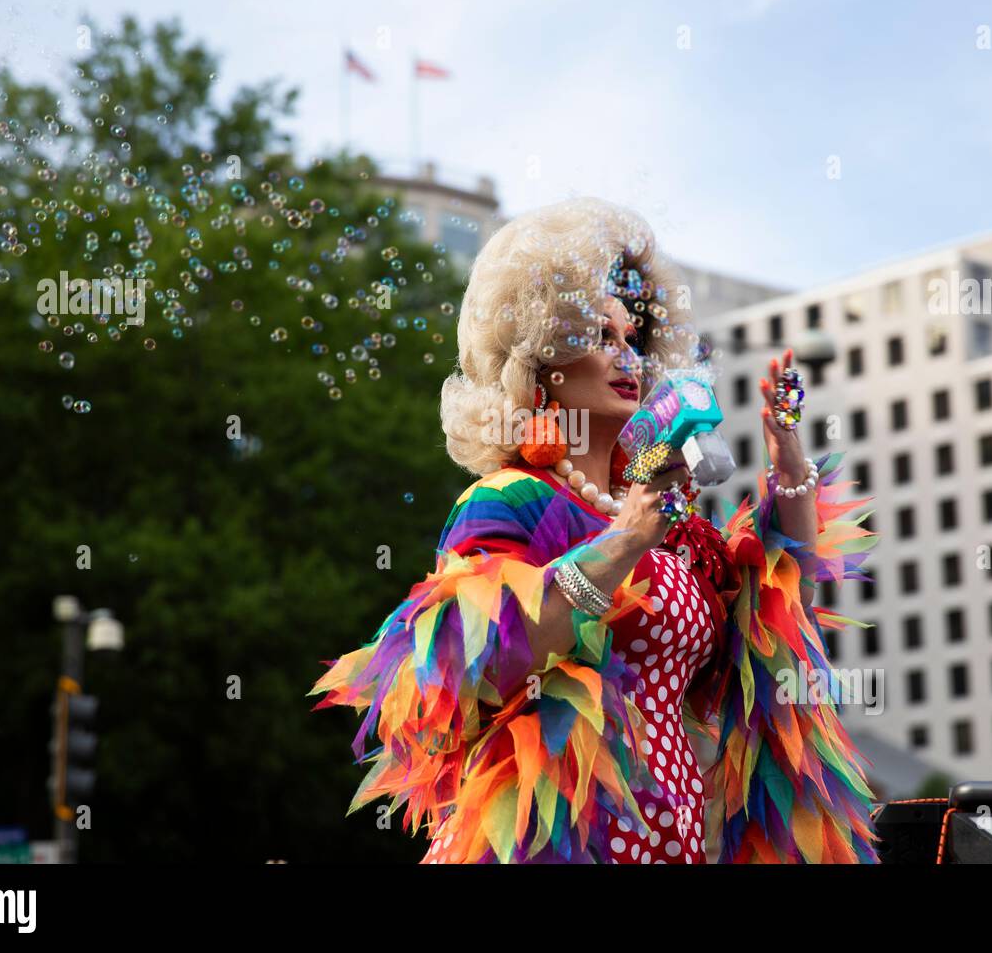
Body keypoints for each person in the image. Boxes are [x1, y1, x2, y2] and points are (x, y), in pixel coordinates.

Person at [310, 197, 880, 863]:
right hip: (551, 844)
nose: (626, 356)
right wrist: (624, 543)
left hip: (674, 842)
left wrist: (788, 460)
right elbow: (469, 673)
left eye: (633, 340)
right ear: (540, 363)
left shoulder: (671, 522)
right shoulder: (513, 499)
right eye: (599, 337)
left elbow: (782, 612)